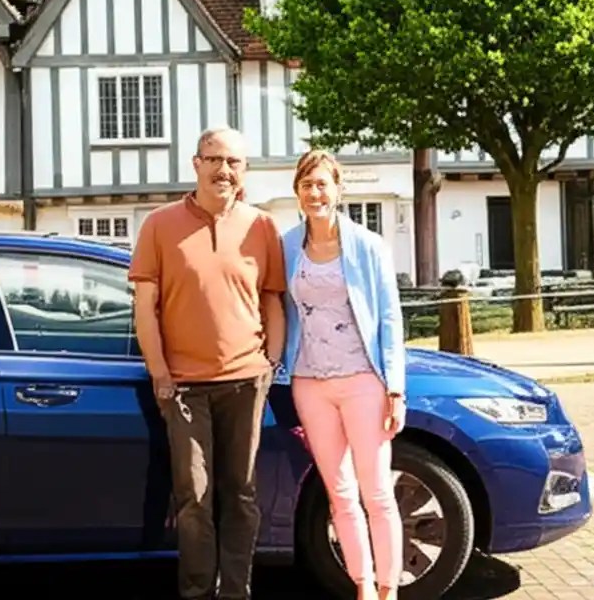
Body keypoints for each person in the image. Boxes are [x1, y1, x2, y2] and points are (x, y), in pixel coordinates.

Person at [129, 127, 287, 600]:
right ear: (195, 164)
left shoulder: (261, 226)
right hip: (184, 388)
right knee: (194, 498)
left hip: (245, 381)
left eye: (233, 161)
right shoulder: (159, 224)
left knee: (241, 494)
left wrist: (271, 363)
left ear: (245, 171)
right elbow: (144, 306)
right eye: (214, 159)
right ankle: (198, 591)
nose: (223, 169)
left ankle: (236, 591)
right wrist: (159, 371)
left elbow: (272, 301)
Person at [275, 149, 406, 600]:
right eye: (307, 184)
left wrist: (396, 388)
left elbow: (390, 317)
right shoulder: (287, 246)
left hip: (363, 380)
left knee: (377, 491)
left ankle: (389, 588)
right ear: (297, 191)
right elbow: (279, 310)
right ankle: (363, 586)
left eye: (322, 184)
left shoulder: (368, 246)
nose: (315, 193)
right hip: (310, 382)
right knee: (340, 493)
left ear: (338, 189)